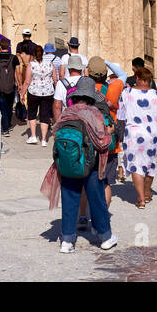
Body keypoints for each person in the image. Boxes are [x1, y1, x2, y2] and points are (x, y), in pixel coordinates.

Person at [47, 78, 117, 254]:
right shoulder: (94, 114)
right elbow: (104, 144)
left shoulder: (67, 113)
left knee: (69, 199)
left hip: (68, 163)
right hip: (90, 164)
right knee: (97, 199)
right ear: (91, 96)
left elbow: (56, 135)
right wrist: (109, 134)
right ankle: (105, 237)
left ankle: (67, 241)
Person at [117, 67, 157, 209]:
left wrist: (119, 136)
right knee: (150, 164)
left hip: (133, 134)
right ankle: (146, 192)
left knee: (136, 166)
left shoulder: (127, 93)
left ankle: (141, 199)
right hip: (152, 135)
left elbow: (120, 117)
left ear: (138, 78)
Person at [87, 58, 125, 208]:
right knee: (105, 183)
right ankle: (102, 218)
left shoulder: (85, 89)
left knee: (87, 181)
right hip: (108, 141)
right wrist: (108, 62)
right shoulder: (114, 87)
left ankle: (85, 215)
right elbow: (122, 74)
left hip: (89, 140)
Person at [25, 44, 56, 147]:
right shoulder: (50, 63)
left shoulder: (31, 65)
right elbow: (55, 79)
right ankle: (43, 139)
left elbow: (27, 81)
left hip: (33, 92)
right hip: (47, 93)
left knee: (32, 113)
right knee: (45, 115)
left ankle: (33, 136)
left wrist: (22, 93)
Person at [0, 38, 19, 136]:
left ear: (0, 47)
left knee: (2, 107)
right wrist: (19, 83)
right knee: (9, 106)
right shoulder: (14, 58)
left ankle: (5, 128)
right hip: (11, 85)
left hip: (0, 86)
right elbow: (17, 72)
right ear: (8, 47)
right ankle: (8, 123)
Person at [52, 54, 85, 123]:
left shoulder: (61, 83)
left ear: (69, 68)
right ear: (81, 68)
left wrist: (58, 124)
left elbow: (57, 106)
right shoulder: (87, 82)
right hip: (83, 121)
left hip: (67, 121)